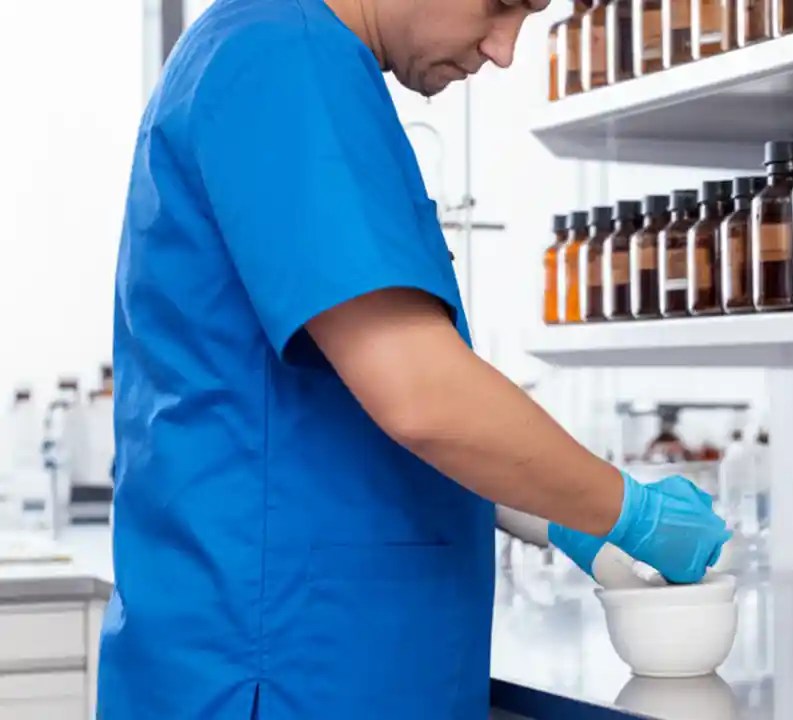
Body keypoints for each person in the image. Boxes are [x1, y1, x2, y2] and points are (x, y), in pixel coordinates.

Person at [98, 0, 731, 718]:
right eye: (500, 7)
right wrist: (627, 509)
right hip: (289, 669)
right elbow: (422, 396)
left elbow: (335, 418)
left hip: (317, 657)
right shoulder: (284, 58)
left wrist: (555, 516)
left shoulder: (288, 59)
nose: (504, 51)